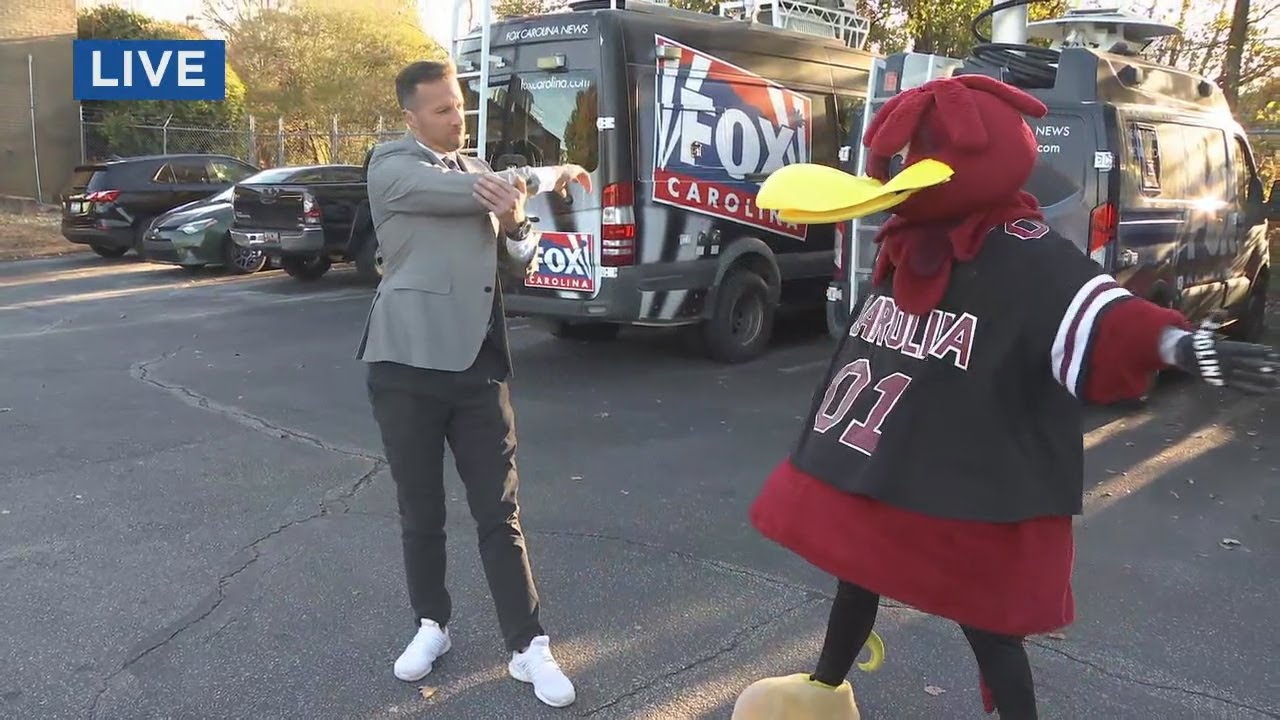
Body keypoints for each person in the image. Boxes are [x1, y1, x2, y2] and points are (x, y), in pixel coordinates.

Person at [730, 74, 1280, 719]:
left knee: (986, 622)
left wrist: (1184, 347)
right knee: (858, 574)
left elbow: (1103, 314)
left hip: (964, 476)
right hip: (891, 458)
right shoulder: (910, 239)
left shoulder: (1024, 252)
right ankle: (824, 690)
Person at [358, 59, 592, 709]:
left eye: (458, 106)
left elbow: (519, 259)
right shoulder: (391, 166)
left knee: (499, 511)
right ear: (410, 117)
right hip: (405, 365)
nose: (456, 118)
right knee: (421, 508)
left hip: (478, 367)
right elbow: (485, 189)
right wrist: (552, 174)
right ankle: (431, 624)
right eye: (441, 110)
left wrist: (517, 224)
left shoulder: (479, 171)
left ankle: (528, 645)